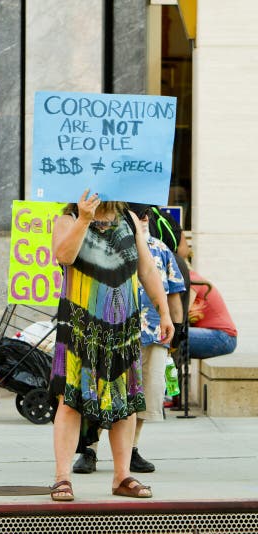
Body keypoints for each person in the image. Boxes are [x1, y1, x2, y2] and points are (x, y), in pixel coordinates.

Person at [49, 191, 173, 501]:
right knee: (71, 399)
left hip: (123, 324)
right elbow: (63, 256)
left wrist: (165, 311)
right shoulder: (66, 219)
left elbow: (146, 270)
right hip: (80, 323)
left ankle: (122, 476)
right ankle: (62, 478)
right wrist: (84, 219)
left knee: (126, 400)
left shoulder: (129, 220)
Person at [71, 204, 185, 475]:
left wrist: (175, 327)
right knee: (98, 391)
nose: (143, 219)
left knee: (144, 394)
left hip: (153, 332)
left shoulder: (160, 249)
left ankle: (131, 449)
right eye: (140, 214)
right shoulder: (100, 240)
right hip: (113, 329)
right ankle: (90, 449)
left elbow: (173, 290)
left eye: (146, 215)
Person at [187, 270, 238, 358]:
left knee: (165, 335)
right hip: (217, 336)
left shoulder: (193, 280)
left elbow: (181, 312)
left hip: (223, 337)